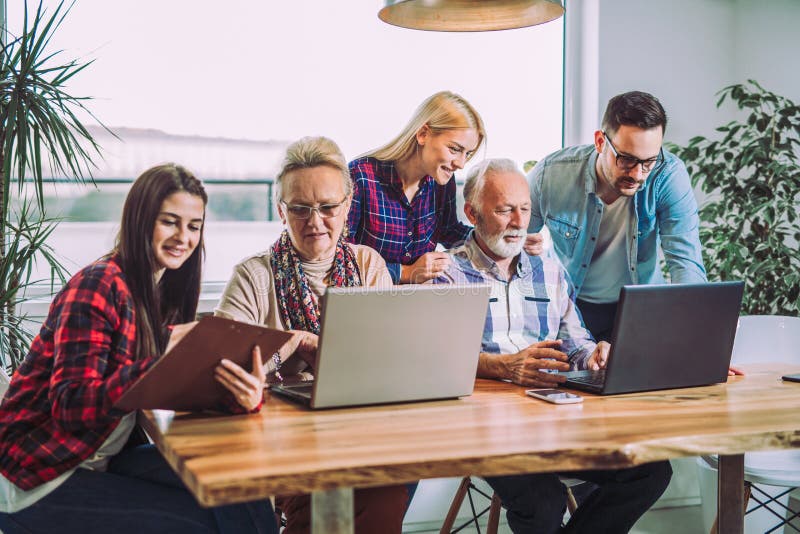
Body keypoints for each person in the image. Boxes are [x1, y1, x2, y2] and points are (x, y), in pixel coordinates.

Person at [0, 164, 278, 533]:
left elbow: (176, 389)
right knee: (200, 522)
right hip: (38, 477)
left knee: (243, 487)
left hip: (102, 457)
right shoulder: (97, 285)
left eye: (194, 226)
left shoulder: (159, 293)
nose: (184, 237)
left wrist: (239, 396)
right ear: (140, 220)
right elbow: (72, 406)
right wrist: (162, 355)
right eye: (170, 221)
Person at [433, 158, 672, 534]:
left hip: (555, 420)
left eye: (525, 209)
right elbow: (438, 360)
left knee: (650, 471)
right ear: (471, 212)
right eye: (504, 209)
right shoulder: (446, 272)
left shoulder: (548, 269)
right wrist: (505, 366)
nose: (518, 221)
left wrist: (592, 354)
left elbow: (574, 339)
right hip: (484, 428)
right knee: (544, 501)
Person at [215, 136, 409, 534]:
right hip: (282, 441)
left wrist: (314, 347)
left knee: (382, 492)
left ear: (348, 206)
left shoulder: (369, 265)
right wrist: (291, 345)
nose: (315, 221)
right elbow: (221, 371)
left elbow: (388, 363)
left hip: (360, 433)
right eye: (300, 209)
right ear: (280, 209)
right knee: (349, 502)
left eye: (327, 207)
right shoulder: (254, 275)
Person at [528, 90, 705, 343]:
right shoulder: (550, 175)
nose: (638, 174)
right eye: (627, 160)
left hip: (639, 309)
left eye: (649, 162)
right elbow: (512, 248)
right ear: (600, 142)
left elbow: (686, 261)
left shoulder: (669, 176)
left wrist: (702, 338)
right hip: (567, 307)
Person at [347, 90, 542, 285]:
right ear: (423, 134)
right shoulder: (361, 177)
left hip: (418, 302)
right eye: (455, 149)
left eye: (468, 153)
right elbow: (337, 258)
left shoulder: (441, 182)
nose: (461, 163)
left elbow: (450, 231)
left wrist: (507, 240)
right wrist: (405, 272)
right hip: (366, 303)